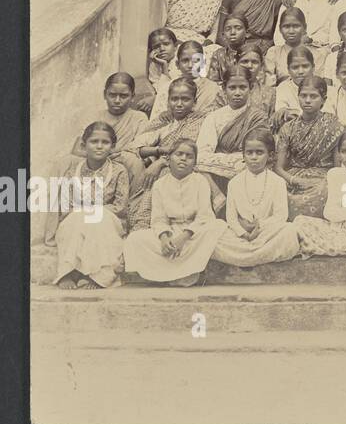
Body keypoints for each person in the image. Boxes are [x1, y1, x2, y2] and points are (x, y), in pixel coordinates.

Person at [123, 138, 227, 286]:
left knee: (216, 226)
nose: (183, 159)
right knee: (136, 238)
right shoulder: (159, 184)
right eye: (179, 154)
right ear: (169, 158)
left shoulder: (200, 181)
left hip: (194, 232)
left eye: (189, 156)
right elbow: (159, 219)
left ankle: (186, 273)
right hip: (171, 230)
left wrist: (182, 238)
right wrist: (165, 238)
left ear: (194, 163)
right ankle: (168, 274)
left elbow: (204, 216)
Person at [47, 122, 130, 289]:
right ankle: (69, 273)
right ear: (84, 145)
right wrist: (84, 212)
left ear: (112, 146)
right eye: (94, 142)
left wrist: (94, 211)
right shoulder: (73, 172)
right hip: (77, 216)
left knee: (97, 222)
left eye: (105, 142)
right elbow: (67, 206)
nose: (99, 146)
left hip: (109, 218)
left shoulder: (119, 171)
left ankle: (98, 276)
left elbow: (120, 206)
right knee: (74, 223)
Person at [128, 76, 212, 229]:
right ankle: (143, 224)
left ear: (194, 102)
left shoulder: (201, 120)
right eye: (174, 99)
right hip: (159, 165)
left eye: (185, 99)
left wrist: (161, 162)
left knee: (164, 174)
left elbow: (190, 148)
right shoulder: (163, 120)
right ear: (168, 101)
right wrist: (159, 151)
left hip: (184, 165)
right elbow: (137, 147)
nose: (179, 104)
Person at [212, 129, 300, 267]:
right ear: (243, 155)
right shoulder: (234, 182)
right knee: (215, 228)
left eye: (259, 152)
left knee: (288, 231)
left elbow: (281, 216)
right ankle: (258, 256)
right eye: (249, 152)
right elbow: (231, 217)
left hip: (266, 233)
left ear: (270, 155)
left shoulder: (277, 182)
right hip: (240, 236)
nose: (254, 157)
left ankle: (242, 258)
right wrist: (243, 233)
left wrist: (259, 228)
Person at [294, 130, 346, 257]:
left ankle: (333, 247)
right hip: (335, 228)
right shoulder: (335, 174)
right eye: (343, 151)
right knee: (300, 222)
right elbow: (329, 212)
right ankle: (343, 247)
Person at [274, 75, 345, 218]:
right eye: (303, 96)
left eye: (313, 96)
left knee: (332, 190)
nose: (307, 100)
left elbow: (337, 169)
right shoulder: (288, 128)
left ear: (323, 100)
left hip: (322, 177)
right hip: (293, 177)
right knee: (277, 192)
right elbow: (278, 168)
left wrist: (325, 181)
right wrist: (294, 180)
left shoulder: (334, 126)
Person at [195, 67, 272, 197]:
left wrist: (222, 159)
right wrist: (227, 159)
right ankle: (218, 198)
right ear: (224, 89)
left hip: (245, 164)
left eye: (243, 87)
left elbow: (258, 150)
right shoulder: (213, 117)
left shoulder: (258, 117)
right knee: (195, 161)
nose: (237, 93)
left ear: (251, 88)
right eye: (232, 88)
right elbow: (202, 153)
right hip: (217, 169)